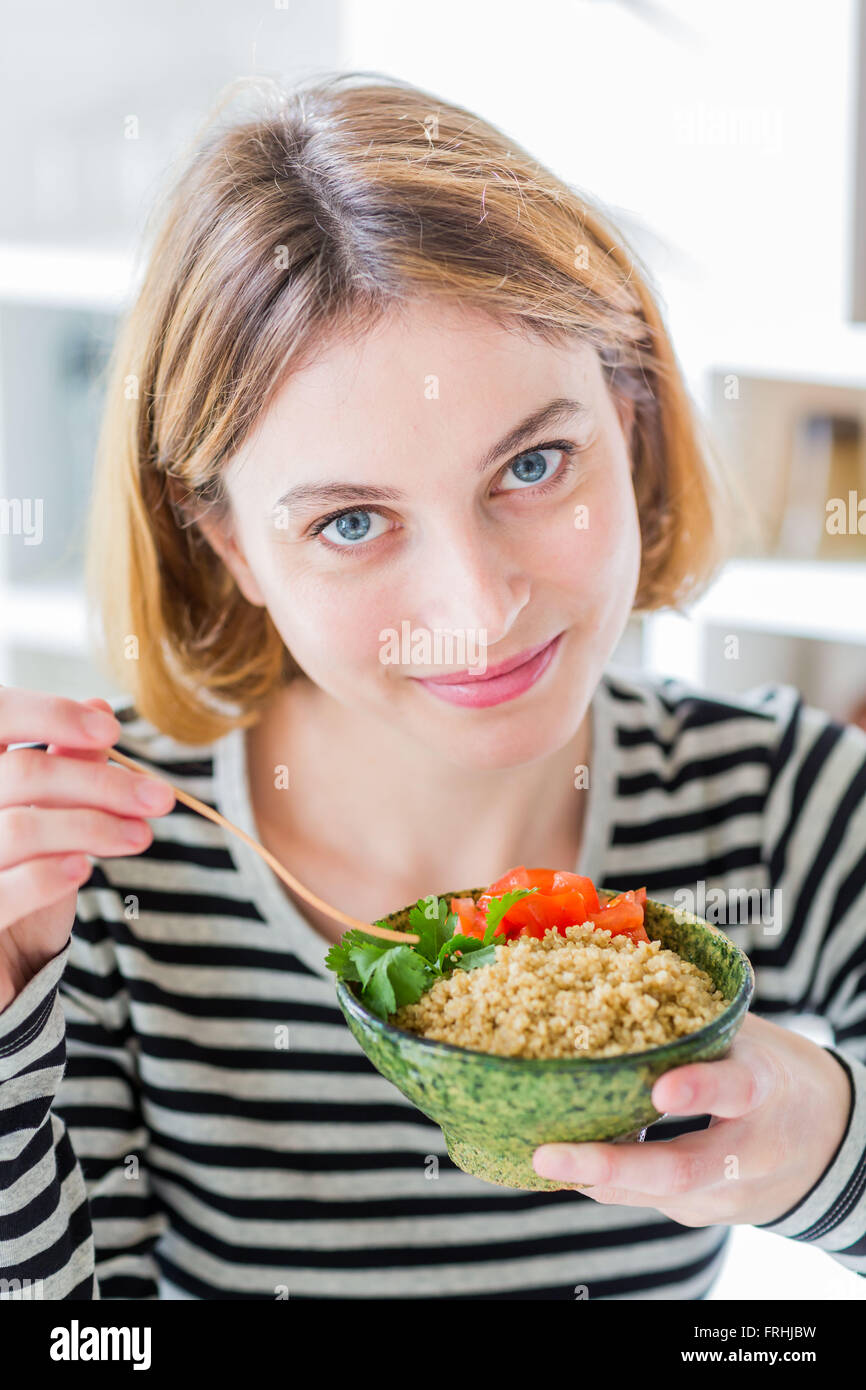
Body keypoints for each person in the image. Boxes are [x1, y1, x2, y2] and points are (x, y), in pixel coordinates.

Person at [1, 72, 864, 1301]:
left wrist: (828, 1139)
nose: (478, 612)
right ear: (230, 545)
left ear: (628, 414)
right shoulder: (90, 893)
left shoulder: (783, 803)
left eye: (532, 461)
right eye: (351, 519)